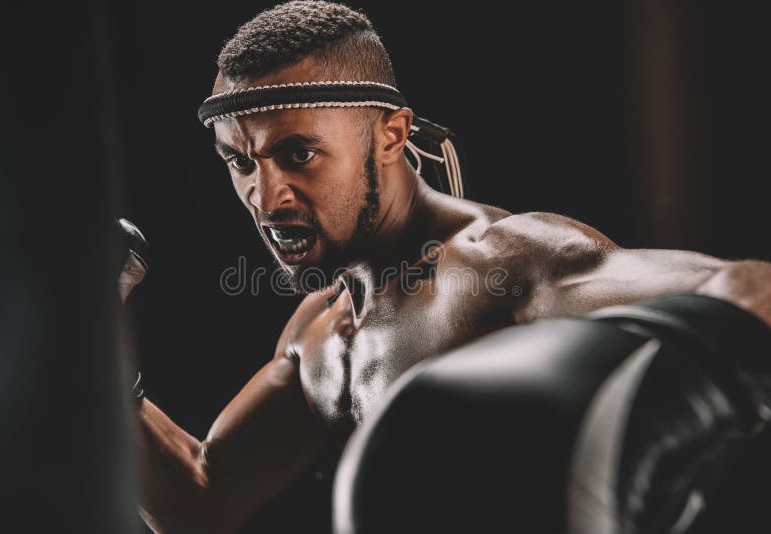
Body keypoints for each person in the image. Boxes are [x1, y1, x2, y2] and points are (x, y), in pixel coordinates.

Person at [124, 2, 771, 532]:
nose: (265, 198)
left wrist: (661, 408)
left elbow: (749, 288)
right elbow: (201, 500)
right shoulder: (320, 335)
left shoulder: (504, 265)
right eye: (242, 163)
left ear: (392, 134)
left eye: (298, 153)